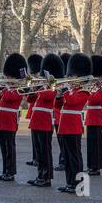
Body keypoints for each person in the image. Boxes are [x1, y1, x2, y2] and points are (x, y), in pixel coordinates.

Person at [27, 54, 64, 188]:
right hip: (37, 120)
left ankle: (47, 177)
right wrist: (32, 89)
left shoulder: (53, 88)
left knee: (45, 151)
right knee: (39, 150)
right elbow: (30, 100)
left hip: (45, 121)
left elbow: (49, 97)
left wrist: (39, 88)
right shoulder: (43, 87)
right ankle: (40, 175)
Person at [56, 53, 91, 194]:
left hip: (73, 126)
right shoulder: (71, 91)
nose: (70, 78)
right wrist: (58, 96)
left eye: (73, 76)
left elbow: (72, 102)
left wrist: (64, 92)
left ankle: (80, 186)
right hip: (65, 125)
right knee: (68, 157)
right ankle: (70, 182)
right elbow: (59, 106)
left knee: (75, 157)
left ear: (80, 77)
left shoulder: (84, 91)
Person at [0, 54, 27, 181]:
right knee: (3, 146)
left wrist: (6, 88)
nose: (7, 77)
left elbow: (12, 98)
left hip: (9, 118)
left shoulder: (19, 88)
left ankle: (11, 172)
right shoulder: (7, 87)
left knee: (9, 146)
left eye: (9, 75)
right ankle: (5, 170)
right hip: (2, 117)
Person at [85, 55, 102, 175]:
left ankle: (96, 167)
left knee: (96, 144)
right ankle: (91, 165)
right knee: (90, 144)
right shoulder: (93, 87)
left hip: (98, 117)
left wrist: (90, 92)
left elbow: (95, 100)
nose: (96, 78)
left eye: (98, 76)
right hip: (90, 117)